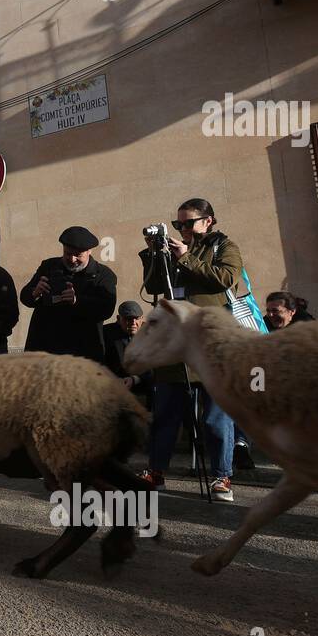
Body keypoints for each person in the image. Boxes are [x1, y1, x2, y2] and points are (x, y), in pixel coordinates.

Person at [137, 198, 243, 501]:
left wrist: (186, 258)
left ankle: (222, 476)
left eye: (188, 223)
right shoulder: (170, 251)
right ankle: (156, 471)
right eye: (177, 224)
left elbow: (225, 279)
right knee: (166, 412)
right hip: (176, 343)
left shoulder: (224, 247)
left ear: (207, 221)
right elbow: (154, 286)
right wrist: (154, 254)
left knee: (215, 416)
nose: (182, 229)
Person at [20, 226, 116, 362]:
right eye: (67, 253)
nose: (72, 259)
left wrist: (77, 301)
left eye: (78, 255)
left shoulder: (104, 275)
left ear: (89, 251)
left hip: (82, 351)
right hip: (45, 347)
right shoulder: (48, 266)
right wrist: (35, 292)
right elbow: (25, 297)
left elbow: (106, 309)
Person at [102, 301, 152, 404]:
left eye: (137, 318)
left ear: (142, 319)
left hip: (143, 386)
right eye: (128, 319)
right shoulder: (107, 333)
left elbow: (155, 367)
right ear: (118, 319)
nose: (133, 322)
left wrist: (135, 379)